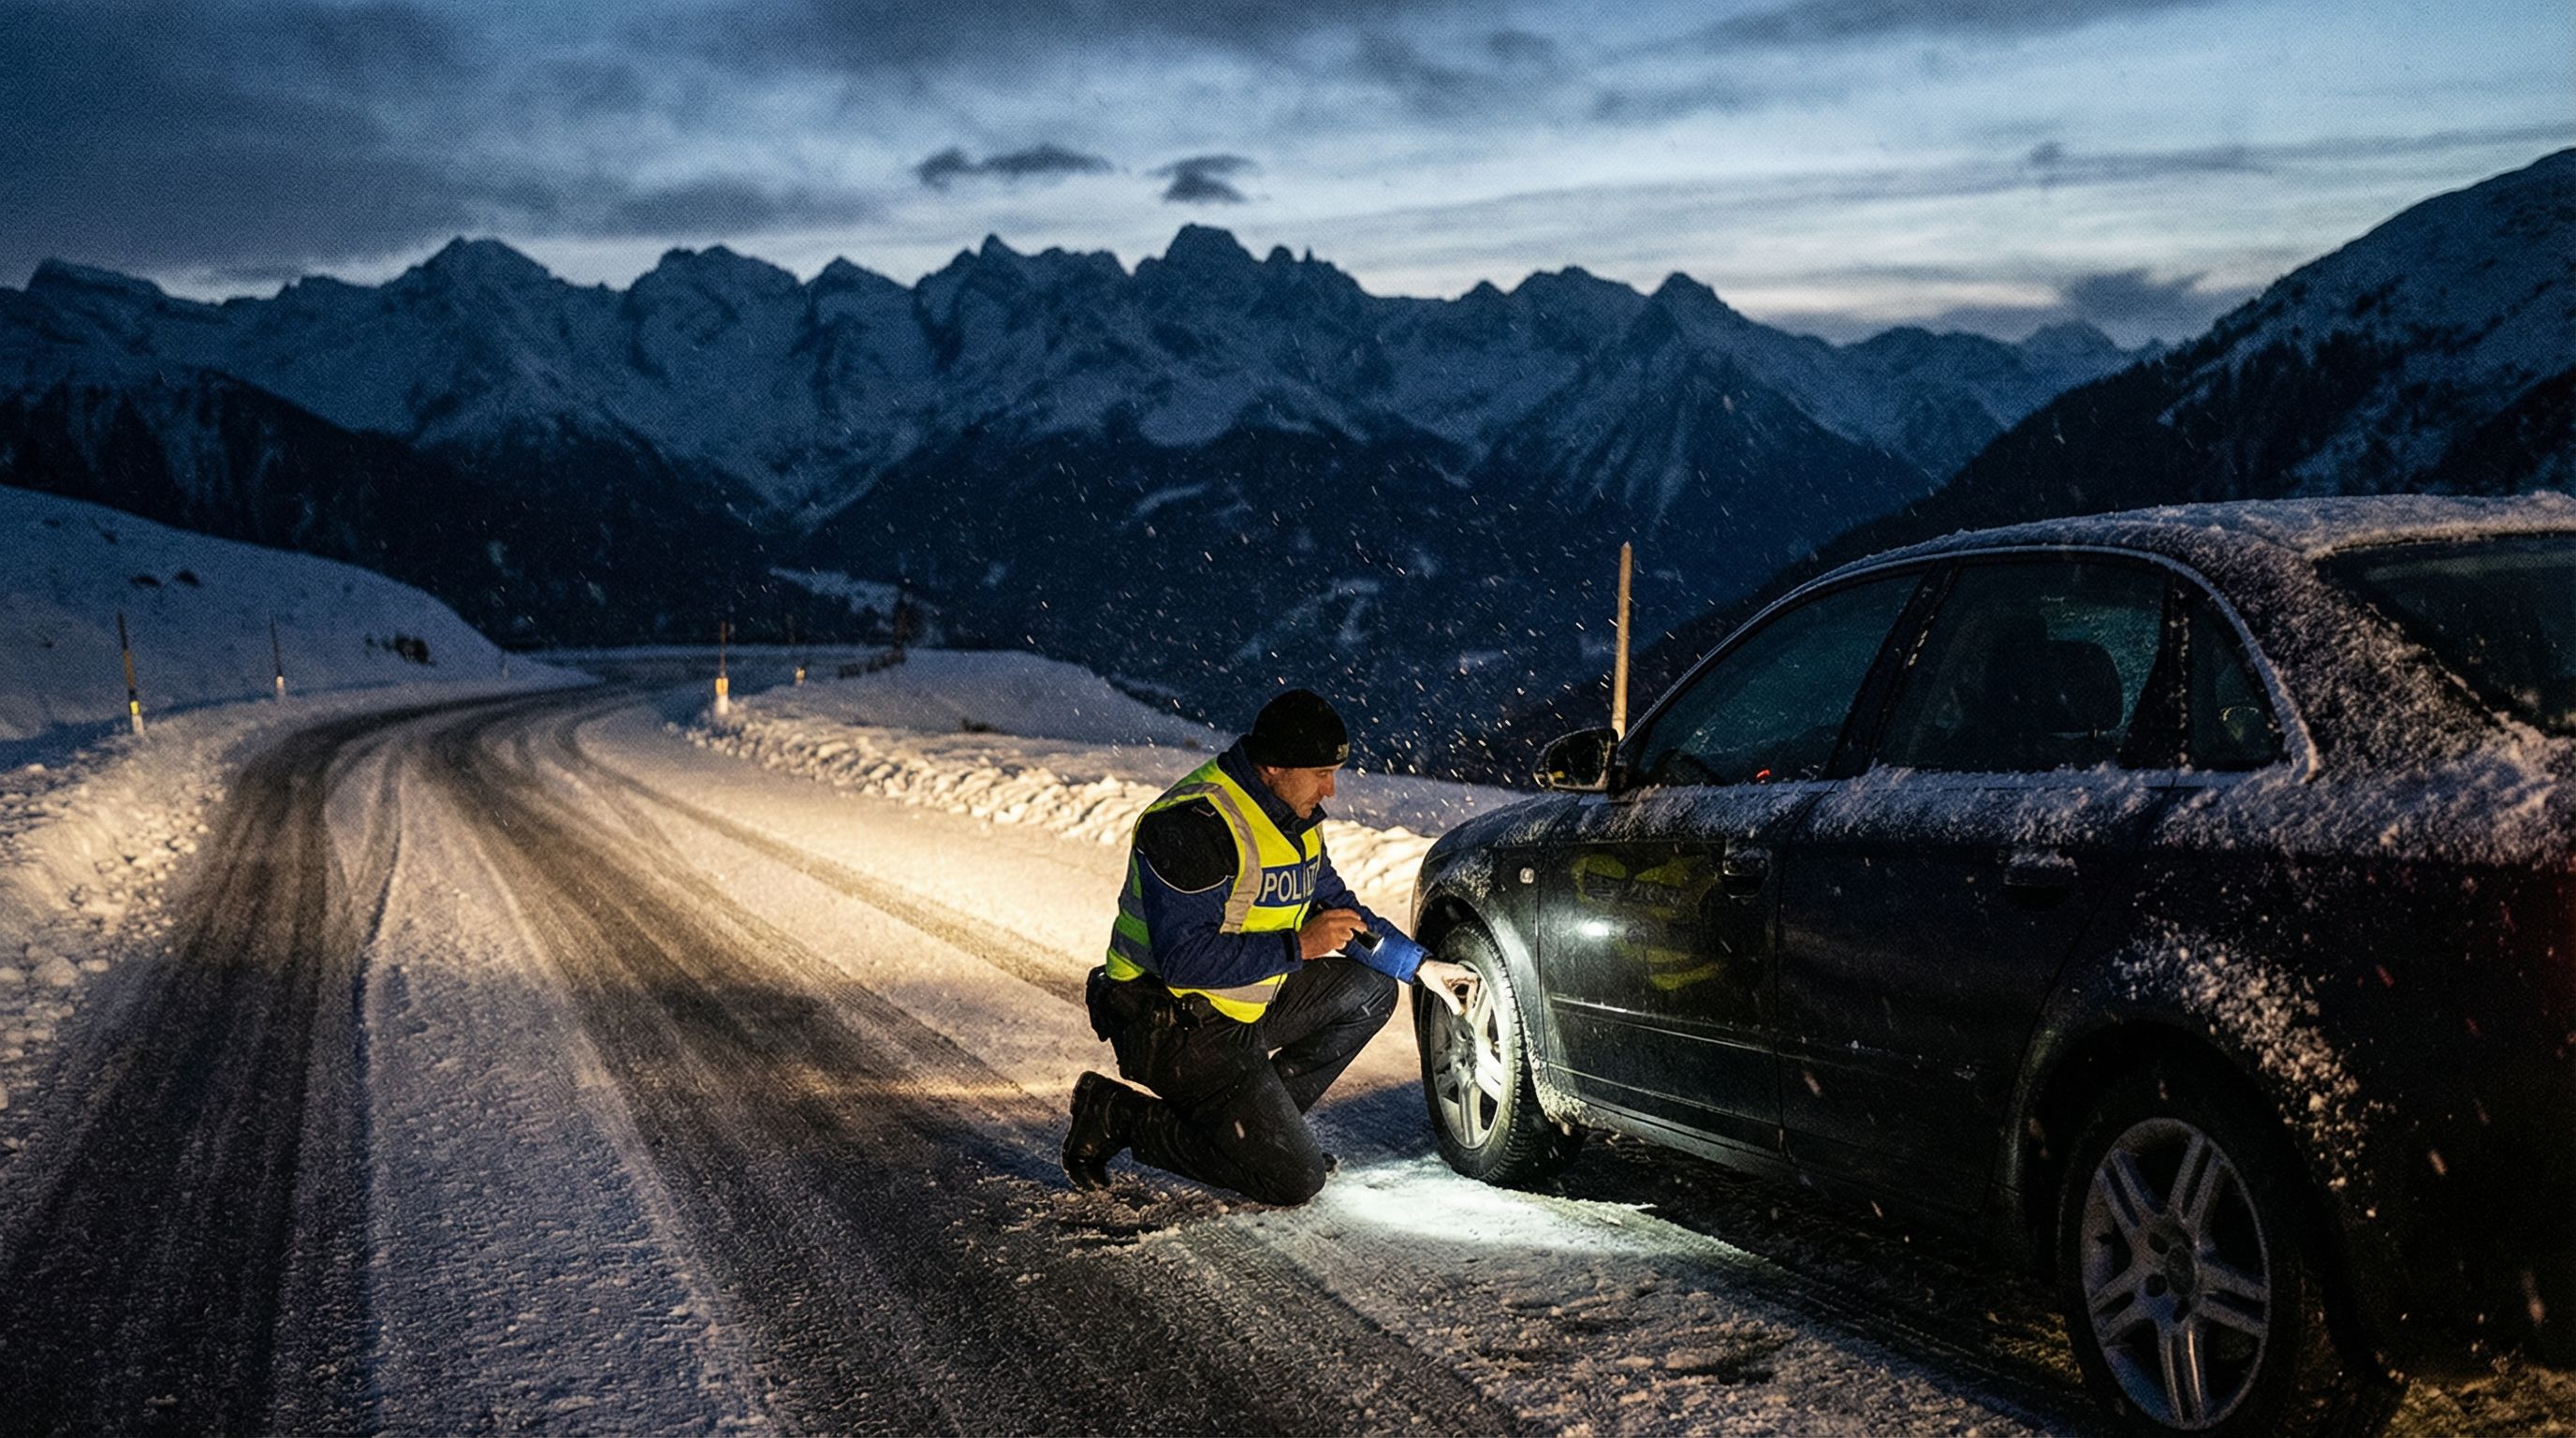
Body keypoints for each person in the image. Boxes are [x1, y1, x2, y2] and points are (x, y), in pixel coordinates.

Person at [1062, 688, 1478, 1204]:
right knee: (1294, 1181)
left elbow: (1338, 913)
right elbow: (1182, 961)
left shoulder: (1290, 820)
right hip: (1169, 1023)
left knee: (1372, 989)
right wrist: (1299, 945)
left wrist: (1422, 968)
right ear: (1274, 768)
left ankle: (1265, 1133)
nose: (1331, 789)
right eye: (1321, 773)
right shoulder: (1193, 824)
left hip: (1239, 1007)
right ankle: (1121, 1116)